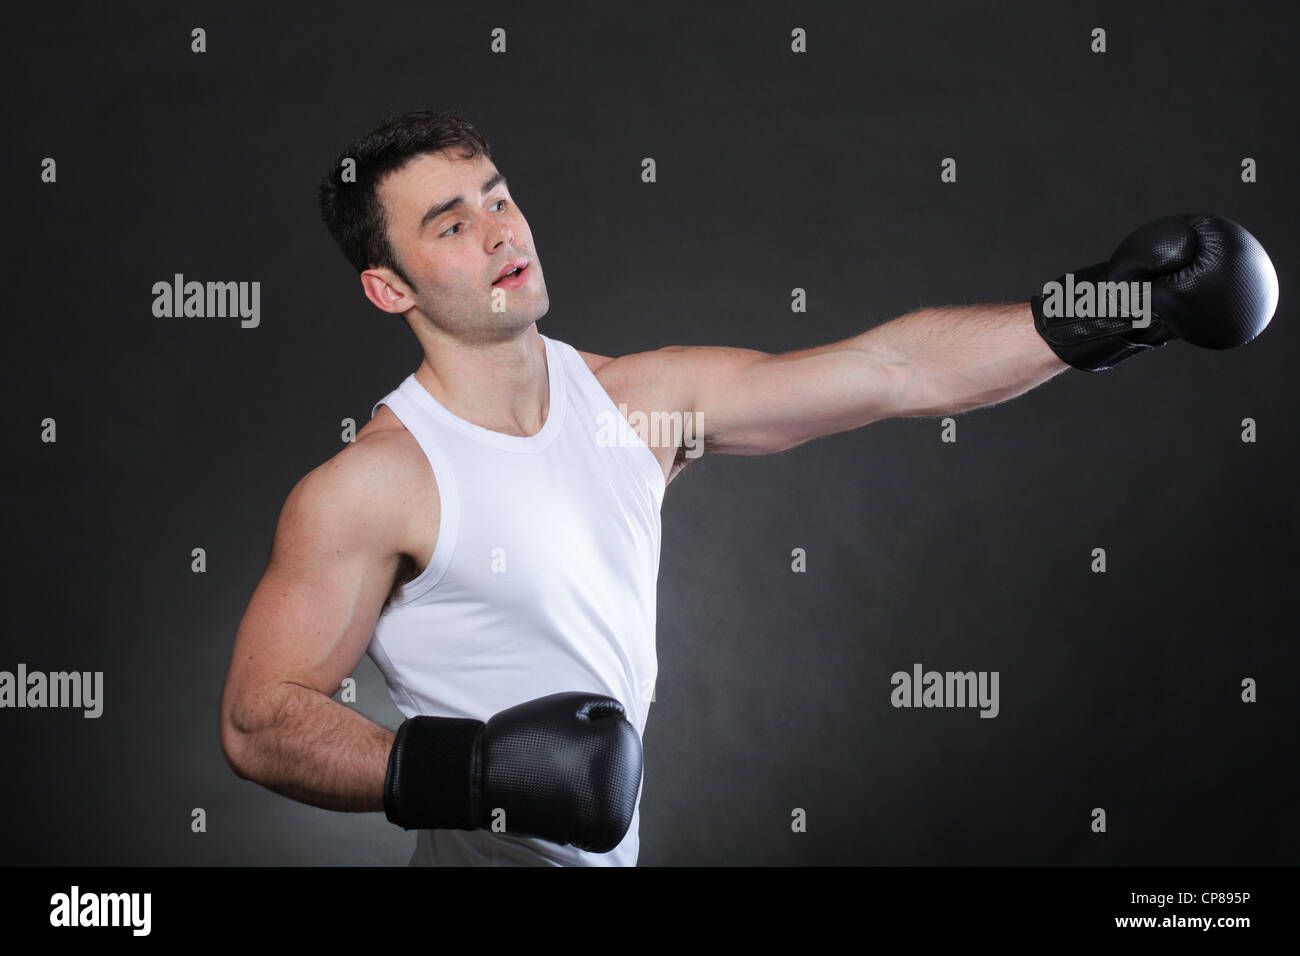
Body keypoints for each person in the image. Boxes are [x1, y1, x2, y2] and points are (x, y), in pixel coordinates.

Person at [217, 109, 1278, 866]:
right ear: (387, 284)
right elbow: (261, 719)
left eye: (498, 198)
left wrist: (1104, 306)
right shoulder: (373, 483)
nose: (501, 232)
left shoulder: (642, 410)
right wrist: (477, 769)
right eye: (450, 223)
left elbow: (890, 372)